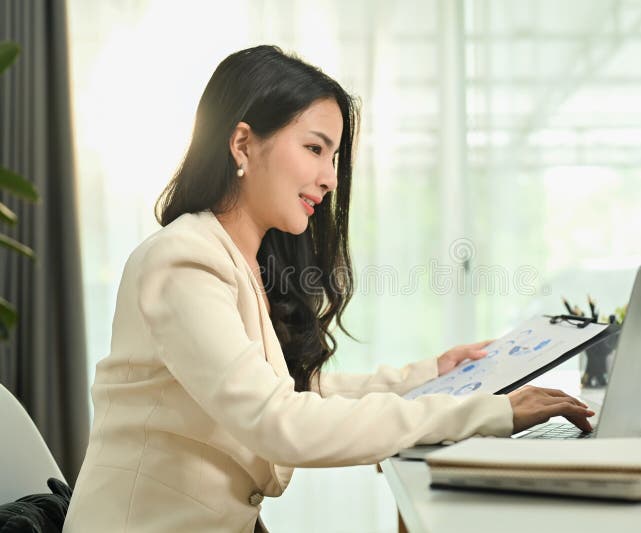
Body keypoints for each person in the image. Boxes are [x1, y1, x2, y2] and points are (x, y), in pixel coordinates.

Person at [63, 45, 594, 533]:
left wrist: (430, 375)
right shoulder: (183, 262)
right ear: (243, 143)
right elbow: (279, 421)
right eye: (315, 149)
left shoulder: (243, 259)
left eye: (334, 157)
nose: (330, 178)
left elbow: (292, 392)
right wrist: (488, 413)